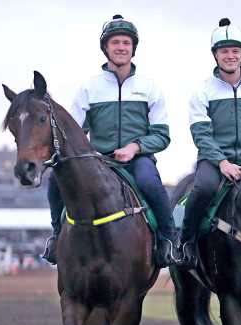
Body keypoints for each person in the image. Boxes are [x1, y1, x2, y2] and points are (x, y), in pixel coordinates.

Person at [43, 14, 177, 267]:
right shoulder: (88, 88)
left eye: (126, 43)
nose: (121, 47)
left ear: (133, 48)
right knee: (54, 180)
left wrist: (135, 147)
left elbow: (162, 135)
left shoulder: (149, 88)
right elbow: (73, 132)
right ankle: (56, 235)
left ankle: (168, 240)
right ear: (105, 48)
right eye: (115, 42)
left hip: (137, 160)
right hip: (98, 160)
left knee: (151, 182)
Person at [178, 18, 241, 267]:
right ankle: (186, 243)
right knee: (202, 188)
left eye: (235, 51)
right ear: (215, 55)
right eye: (224, 51)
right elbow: (201, 133)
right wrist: (221, 162)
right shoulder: (203, 91)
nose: (230, 56)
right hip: (215, 163)